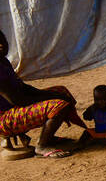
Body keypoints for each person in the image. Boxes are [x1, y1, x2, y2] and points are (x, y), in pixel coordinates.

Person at [0, 28, 88, 158]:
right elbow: (19, 100)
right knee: (58, 106)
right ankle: (42, 145)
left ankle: (48, 137)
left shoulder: (3, 61)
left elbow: (22, 87)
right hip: (4, 118)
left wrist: (50, 94)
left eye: (2, 41)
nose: (1, 45)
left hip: (14, 107)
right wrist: (49, 97)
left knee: (61, 91)